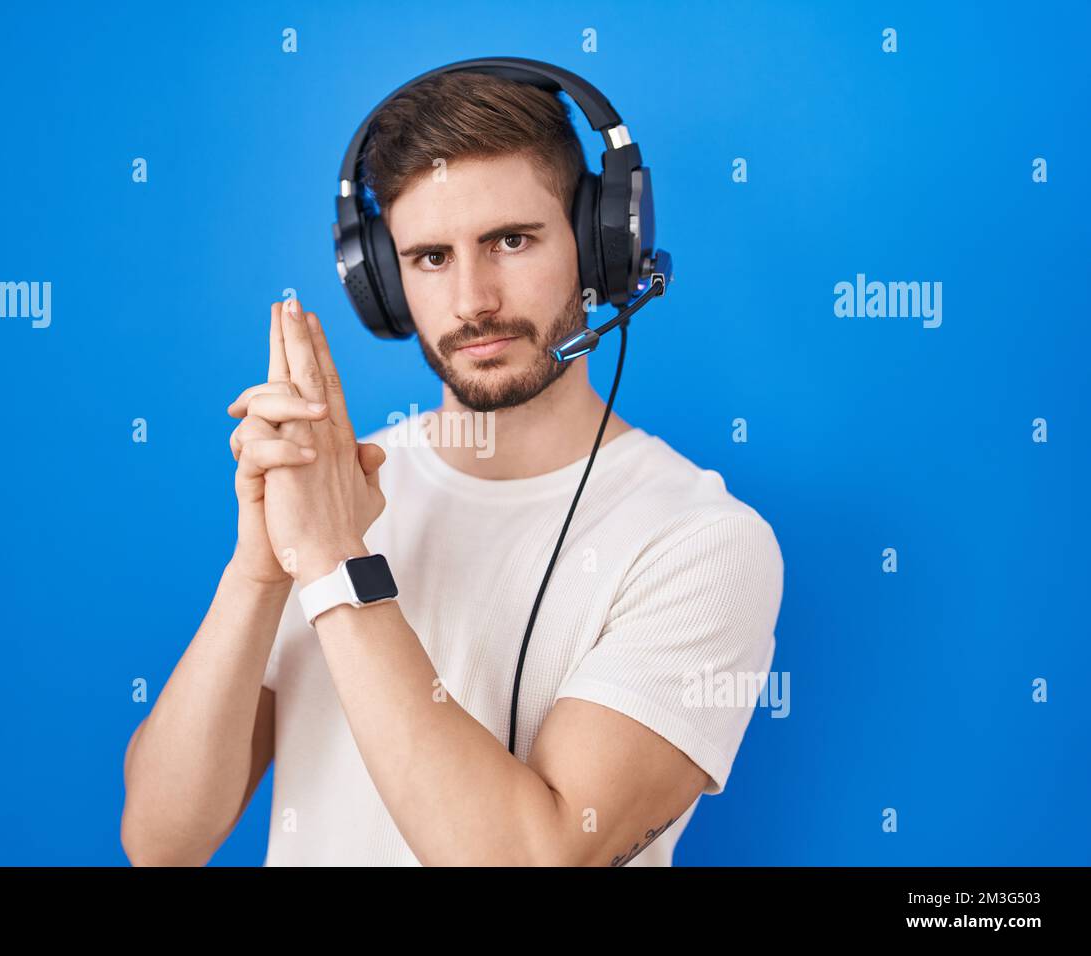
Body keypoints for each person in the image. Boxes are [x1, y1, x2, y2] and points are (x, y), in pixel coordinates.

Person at [120, 70, 784, 867]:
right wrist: (261, 570)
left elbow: (535, 857)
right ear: (384, 285)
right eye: (430, 257)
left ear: (601, 246)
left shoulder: (702, 543)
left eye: (512, 240)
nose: (472, 299)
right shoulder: (334, 493)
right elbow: (161, 841)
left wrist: (335, 565)